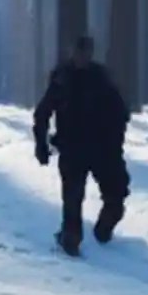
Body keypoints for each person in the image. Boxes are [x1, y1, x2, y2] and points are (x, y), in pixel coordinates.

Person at [33, 35, 131, 256]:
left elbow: (120, 113)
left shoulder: (101, 77)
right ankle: (71, 240)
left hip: (102, 148)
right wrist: (41, 144)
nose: (82, 57)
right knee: (72, 199)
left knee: (116, 196)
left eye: (86, 52)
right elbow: (43, 113)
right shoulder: (62, 78)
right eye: (79, 52)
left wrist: (116, 145)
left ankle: (103, 231)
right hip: (72, 148)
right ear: (73, 52)